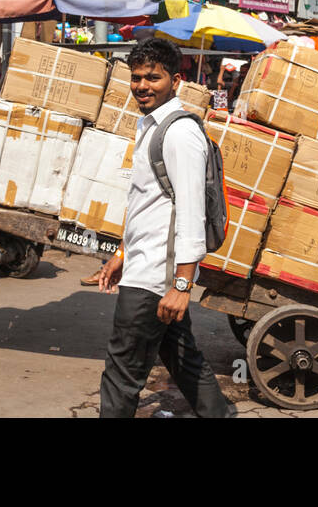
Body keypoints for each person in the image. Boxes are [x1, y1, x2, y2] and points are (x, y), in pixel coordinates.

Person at [97, 38, 235, 418]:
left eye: (152, 78)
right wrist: (123, 253)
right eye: (136, 77)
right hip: (146, 265)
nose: (142, 86)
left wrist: (181, 286)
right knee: (182, 357)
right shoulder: (151, 125)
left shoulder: (179, 133)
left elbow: (191, 213)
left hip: (155, 277)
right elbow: (149, 205)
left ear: (175, 80)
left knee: (121, 374)